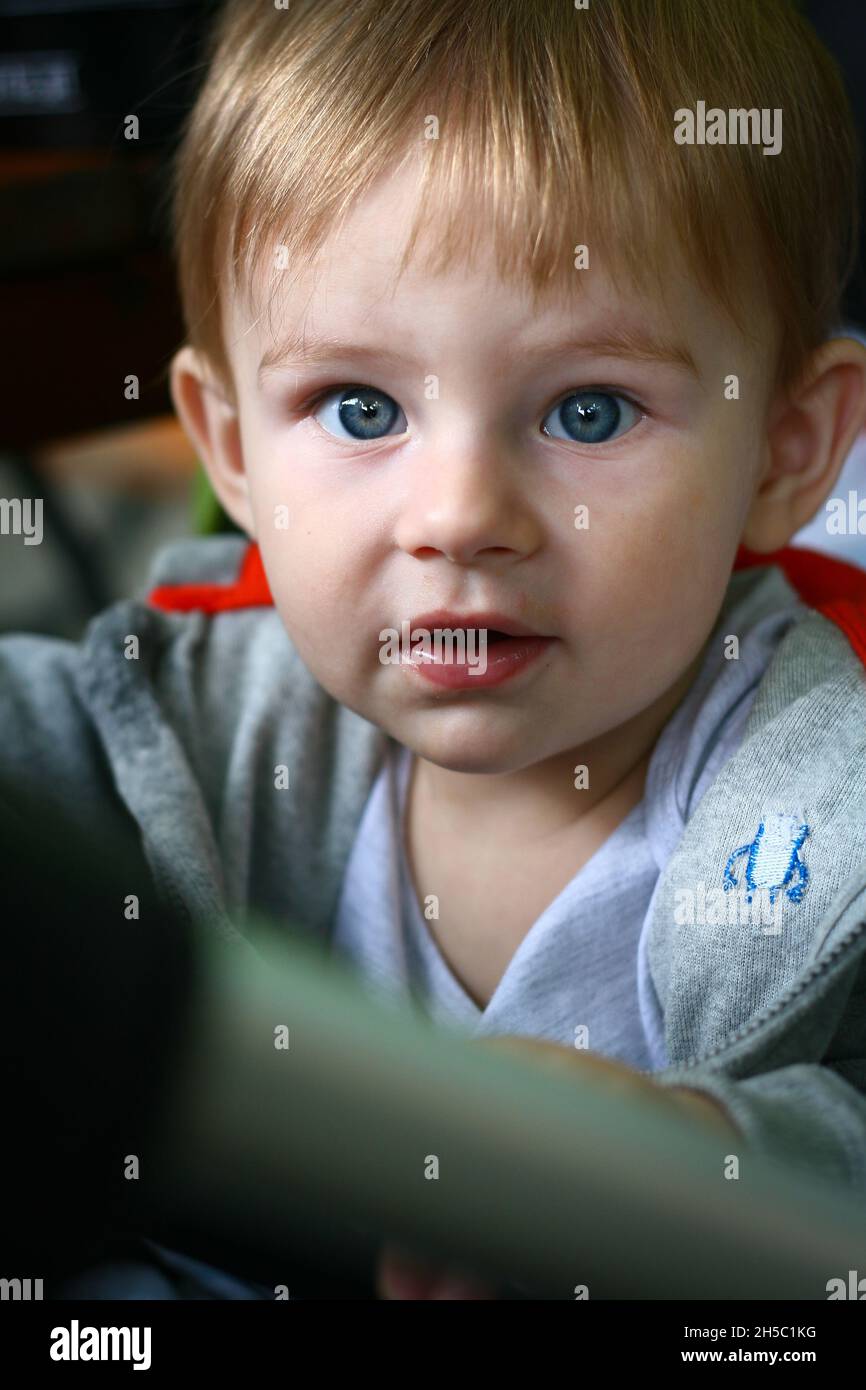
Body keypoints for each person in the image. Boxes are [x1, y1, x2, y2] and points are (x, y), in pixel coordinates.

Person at [4, 0, 866, 1298]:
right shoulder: (185, 709)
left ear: (786, 451)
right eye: (359, 408)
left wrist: (713, 1153)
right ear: (230, 448)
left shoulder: (823, 800)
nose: (459, 514)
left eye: (588, 409)